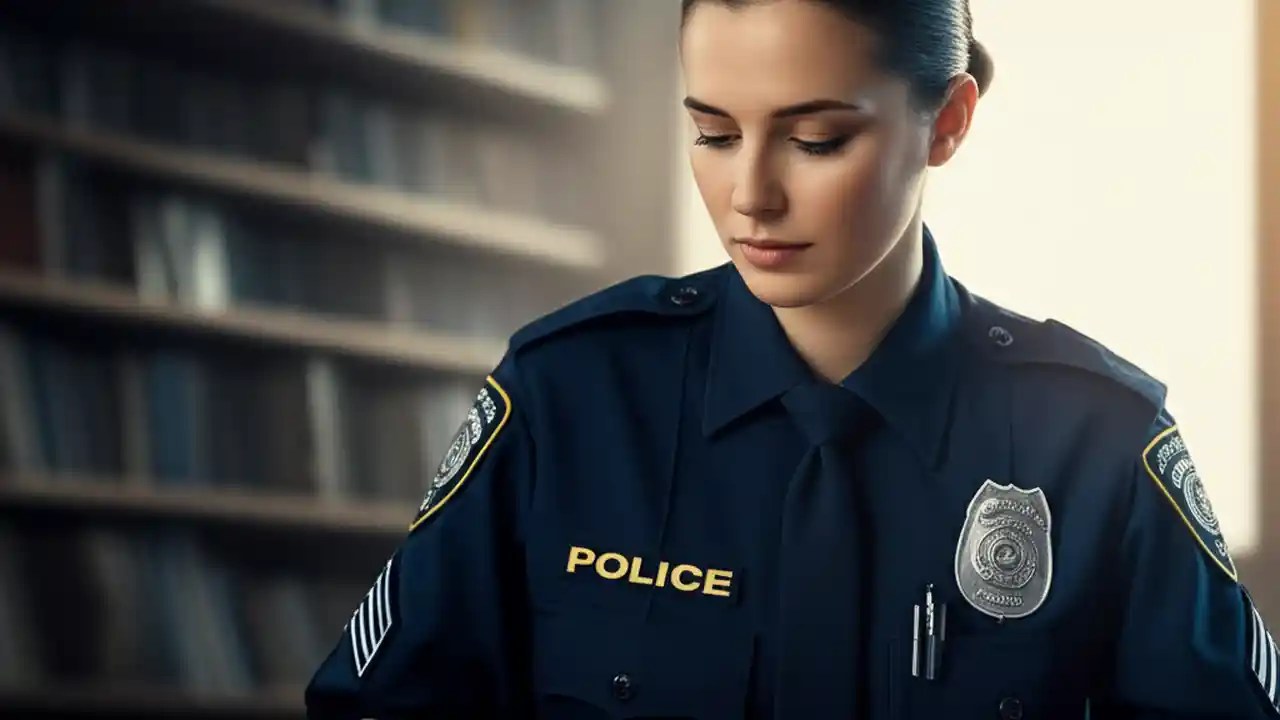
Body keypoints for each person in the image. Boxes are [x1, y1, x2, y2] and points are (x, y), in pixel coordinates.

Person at [305, 0, 1280, 717]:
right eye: (712, 133)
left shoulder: (1096, 441)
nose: (749, 196)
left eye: (815, 139)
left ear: (946, 122)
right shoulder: (566, 396)